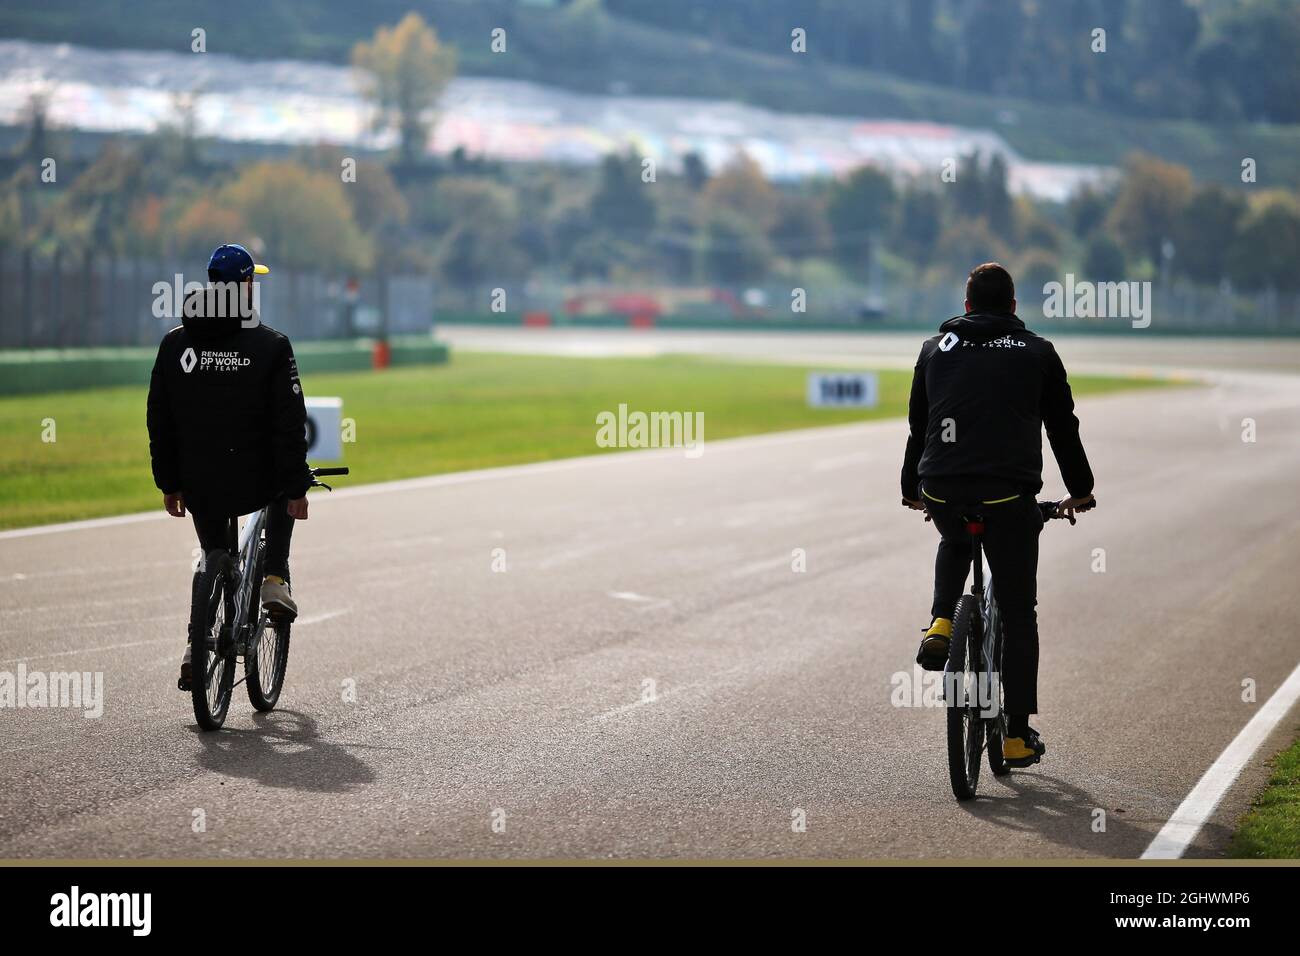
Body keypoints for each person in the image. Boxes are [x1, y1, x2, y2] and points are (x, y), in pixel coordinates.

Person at [900, 262, 1095, 767]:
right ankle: (1014, 734)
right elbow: (1062, 427)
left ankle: (942, 621)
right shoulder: (1037, 352)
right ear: (1013, 307)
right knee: (1017, 612)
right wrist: (1081, 490)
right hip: (1009, 498)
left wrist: (913, 490)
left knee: (955, 539)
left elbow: (919, 426)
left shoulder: (933, 350)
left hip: (942, 488)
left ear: (965, 307)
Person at [146, 243, 313, 690]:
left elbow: (159, 419)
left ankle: (193, 644)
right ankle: (275, 577)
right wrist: (297, 487)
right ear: (244, 287)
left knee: (211, 559)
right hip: (257, 480)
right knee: (283, 484)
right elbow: (289, 423)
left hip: (199, 486)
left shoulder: (174, 343)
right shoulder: (272, 346)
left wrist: (169, 482)